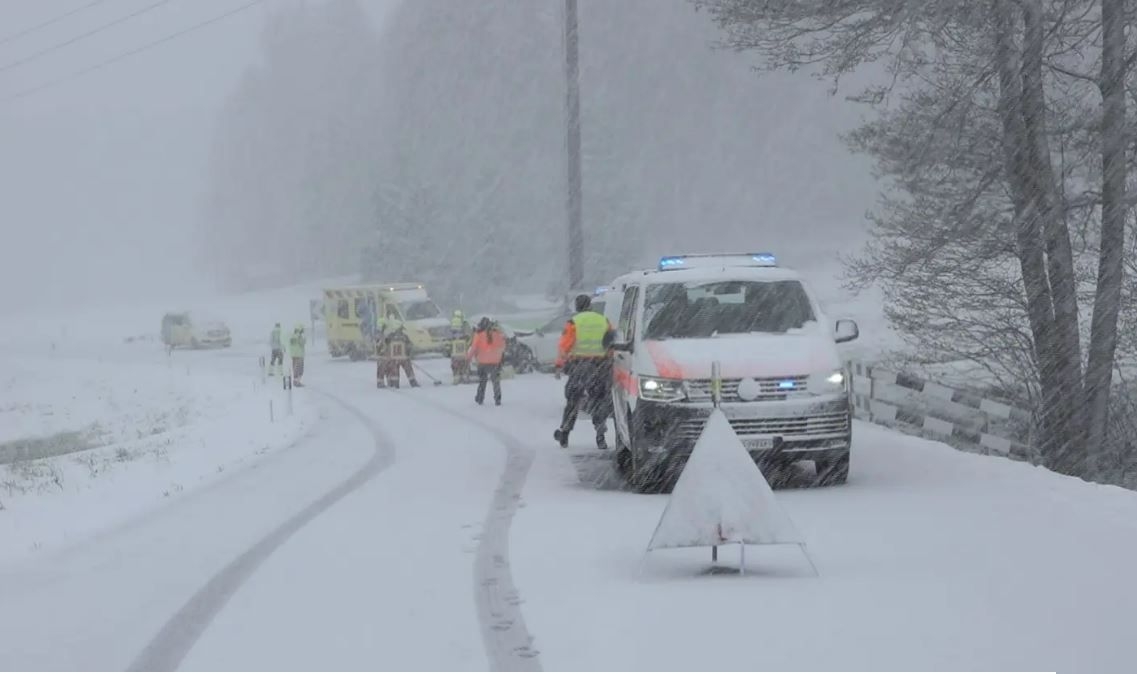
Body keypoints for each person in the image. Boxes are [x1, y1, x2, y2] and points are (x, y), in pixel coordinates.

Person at [553, 294, 616, 449]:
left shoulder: (573, 323)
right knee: (598, 400)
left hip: (579, 365)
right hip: (600, 366)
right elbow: (610, 343)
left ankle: (565, 434)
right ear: (590, 305)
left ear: (577, 307)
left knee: (573, 401)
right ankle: (600, 435)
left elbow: (564, 346)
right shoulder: (604, 321)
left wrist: (559, 365)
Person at [467, 316, 506, 405]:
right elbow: (502, 346)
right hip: (495, 362)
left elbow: (474, 348)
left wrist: (468, 358)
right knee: (496, 381)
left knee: (482, 381)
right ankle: (497, 398)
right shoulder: (497, 334)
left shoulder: (479, 335)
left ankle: (480, 398)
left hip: (482, 362)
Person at [376, 311, 419, 389]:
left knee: (390, 369)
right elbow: (410, 345)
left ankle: (392, 383)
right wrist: (408, 353)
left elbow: (380, 347)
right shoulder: (402, 336)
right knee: (405, 369)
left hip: (392, 358)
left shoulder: (387, 337)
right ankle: (411, 382)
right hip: (400, 358)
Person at [449, 309, 472, 384]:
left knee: (455, 362)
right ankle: (464, 376)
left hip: (454, 347)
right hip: (463, 346)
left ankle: (456, 377)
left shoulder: (452, 324)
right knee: (464, 362)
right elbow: (469, 334)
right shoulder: (465, 324)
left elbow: (449, 336)